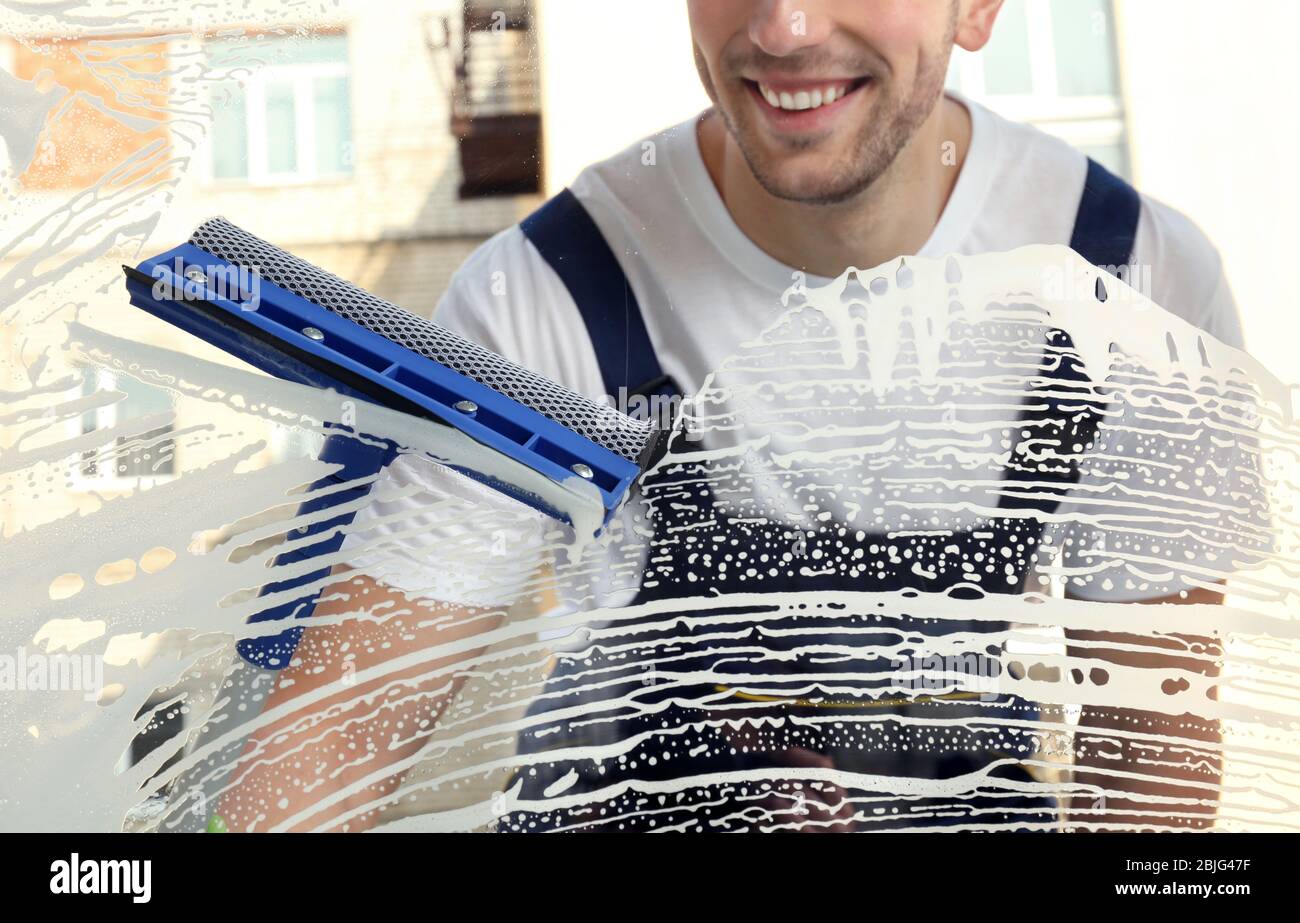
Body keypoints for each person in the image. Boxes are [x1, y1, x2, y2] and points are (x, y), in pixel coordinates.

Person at [220, 0, 1245, 832]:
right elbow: (336, 749)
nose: (786, 26)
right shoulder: (547, 296)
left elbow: (1146, 756)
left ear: (975, 8)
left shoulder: (1131, 282)